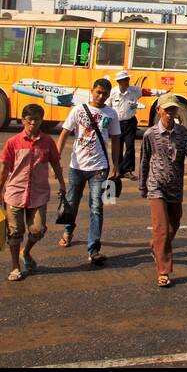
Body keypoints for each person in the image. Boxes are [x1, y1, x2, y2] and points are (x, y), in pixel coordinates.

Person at [140, 95, 187, 287]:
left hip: (175, 187)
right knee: (161, 228)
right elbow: (144, 160)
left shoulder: (183, 134)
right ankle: (163, 271)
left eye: (173, 110)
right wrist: (142, 185)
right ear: (158, 111)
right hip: (156, 186)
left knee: (174, 224)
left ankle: (157, 246)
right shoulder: (150, 135)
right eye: (167, 110)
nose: (170, 114)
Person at [0, 104, 64, 282]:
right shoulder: (13, 142)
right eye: (29, 119)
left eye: (37, 120)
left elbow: (56, 164)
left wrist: (63, 184)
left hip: (38, 195)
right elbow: (4, 169)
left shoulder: (48, 142)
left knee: (38, 230)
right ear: (23, 120)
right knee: (15, 232)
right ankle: (15, 266)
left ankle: (27, 251)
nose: (33, 123)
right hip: (14, 193)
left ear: (41, 120)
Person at [56, 78, 121, 265]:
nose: (101, 96)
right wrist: (56, 159)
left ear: (109, 95)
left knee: (96, 207)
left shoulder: (111, 114)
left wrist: (116, 164)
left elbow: (116, 139)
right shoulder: (78, 110)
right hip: (76, 167)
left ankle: (93, 249)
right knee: (71, 202)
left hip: (99, 168)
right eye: (98, 92)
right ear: (91, 91)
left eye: (105, 94)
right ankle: (68, 231)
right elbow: (64, 133)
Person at [108, 70, 163, 180]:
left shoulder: (134, 90)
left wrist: (162, 92)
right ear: (120, 82)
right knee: (117, 147)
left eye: (128, 79)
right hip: (116, 123)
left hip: (130, 122)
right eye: (125, 80)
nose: (128, 81)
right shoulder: (112, 93)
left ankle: (128, 170)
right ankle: (117, 169)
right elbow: (107, 107)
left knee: (130, 146)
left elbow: (148, 91)